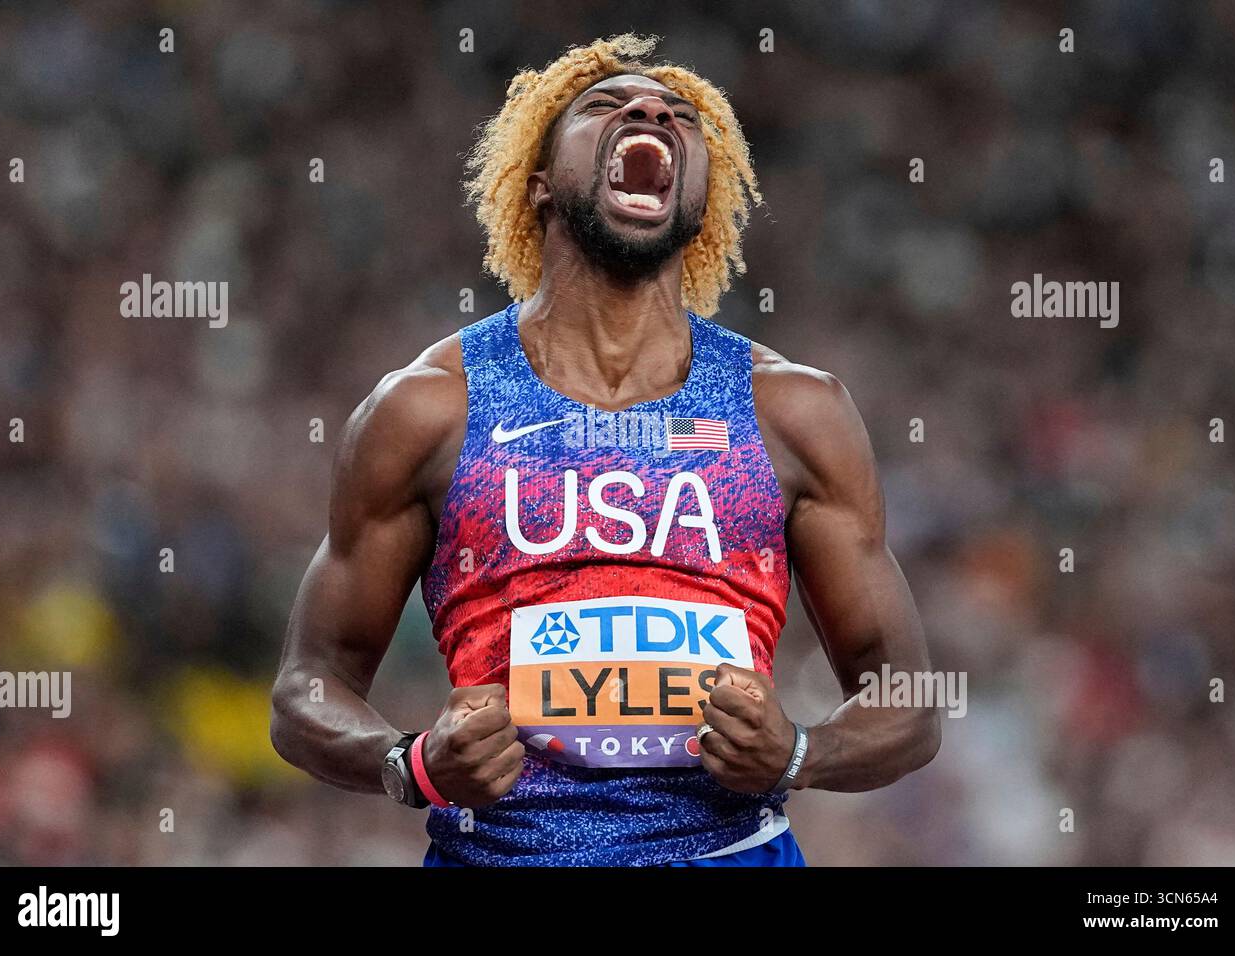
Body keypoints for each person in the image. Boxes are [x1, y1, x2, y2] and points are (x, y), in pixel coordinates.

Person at [271, 34, 940, 866]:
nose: (651, 110)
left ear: (705, 192)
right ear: (541, 181)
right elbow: (307, 688)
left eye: (680, 117)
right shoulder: (428, 409)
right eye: (604, 106)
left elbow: (909, 699)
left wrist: (802, 754)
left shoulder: (796, 412)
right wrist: (409, 767)